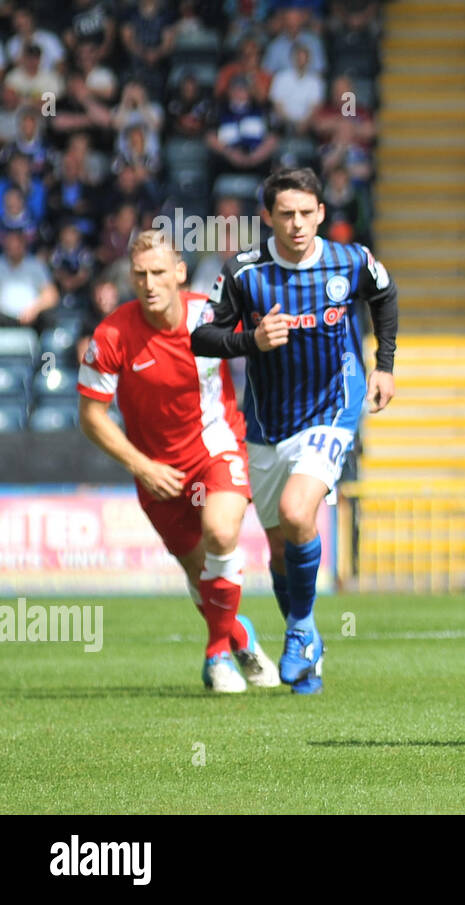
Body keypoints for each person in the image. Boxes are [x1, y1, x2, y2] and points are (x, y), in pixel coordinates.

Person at [190, 167, 399, 694]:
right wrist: (251, 341)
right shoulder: (243, 272)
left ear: (322, 213)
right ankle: (306, 646)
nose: (298, 223)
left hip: (333, 405)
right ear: (268, 217)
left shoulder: (350, 260)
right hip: (266, 423)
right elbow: (202, 337)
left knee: (295, 511)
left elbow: (384, 295)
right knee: (279, 548)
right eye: (286, 214)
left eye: (307, 213)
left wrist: (385, 364)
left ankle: (302, 628)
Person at [77, 230, 280, 693]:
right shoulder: (111, 334)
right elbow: (91, 417)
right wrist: (142, 466)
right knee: (200, 578)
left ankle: (216, 658)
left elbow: (260, 344)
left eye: (159, 273)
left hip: (217, 450)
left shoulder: (210, 315)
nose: (149, 284)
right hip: (157, 475)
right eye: (140, 274)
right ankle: (241, 639)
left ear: (180, 273)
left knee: (223, 533)